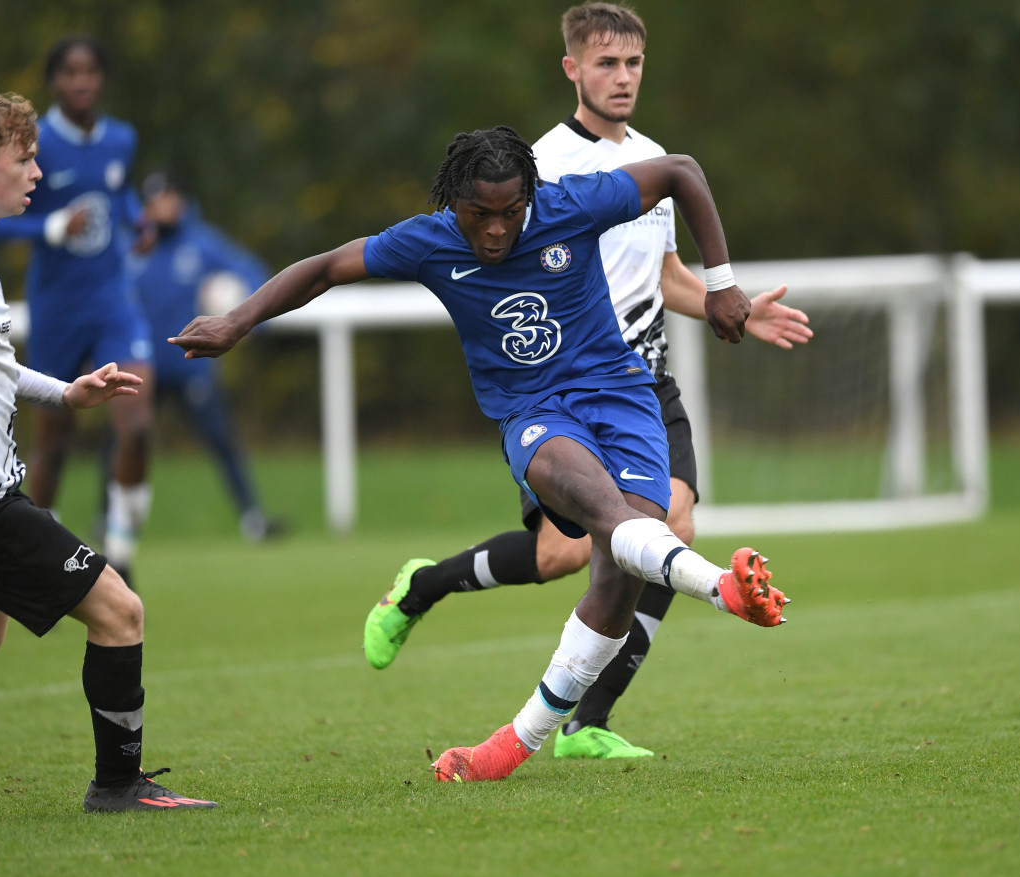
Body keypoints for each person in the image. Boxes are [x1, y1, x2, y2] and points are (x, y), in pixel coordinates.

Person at [173, 125, 790, 783]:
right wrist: (236, 321)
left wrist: (722, 282)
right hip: (535, 415)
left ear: (530, 197)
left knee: (618, 578)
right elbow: (324, 268)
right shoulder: (428, 241)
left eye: (510, 212)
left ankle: (511, 746)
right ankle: (723, 589)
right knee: (612, 519)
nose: (496, 230)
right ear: (454, 203)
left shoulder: (570, 205)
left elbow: (681, 170)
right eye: (479, 214)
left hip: (621, 395)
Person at [361, 2, 813, 761]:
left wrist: (727, 301)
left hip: (643, 379)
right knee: (562, 556)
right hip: (561, 390)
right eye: (607, 63)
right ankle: (424, 586)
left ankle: (587, 720)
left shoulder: (652, 156)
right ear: (572, 69)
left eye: (634, 63)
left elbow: (665, 276)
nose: (623, 77)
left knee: (666, 529)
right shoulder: (542, 169)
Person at [0, 91, 215, 812]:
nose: (36, 173)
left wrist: (67, 392)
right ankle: (118, 786)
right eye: (24, 160)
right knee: (120, 610)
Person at [0, 36, 154, 582]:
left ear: (102, 78)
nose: (81, 81)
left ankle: (120, 553)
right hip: (58, 310)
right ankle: (46, 560)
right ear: (53, 80)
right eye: (69, 72)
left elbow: (118, 194)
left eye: (90, 71)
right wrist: (53, 227)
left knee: (138, 426)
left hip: (113, 303)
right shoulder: (35, 146)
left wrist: (138, 220)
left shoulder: (121, 139)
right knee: (54, 446)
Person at [118, 170, 283, 541]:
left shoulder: (201, 243)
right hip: (143, 367)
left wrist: (250, 324)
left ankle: (253, 519)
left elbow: (253, 273)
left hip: (191, 367)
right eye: (156, 199)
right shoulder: (133, 247)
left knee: (222, 441)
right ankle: (110, 521)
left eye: (169, 197)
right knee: (124, 442)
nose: (164, 205)